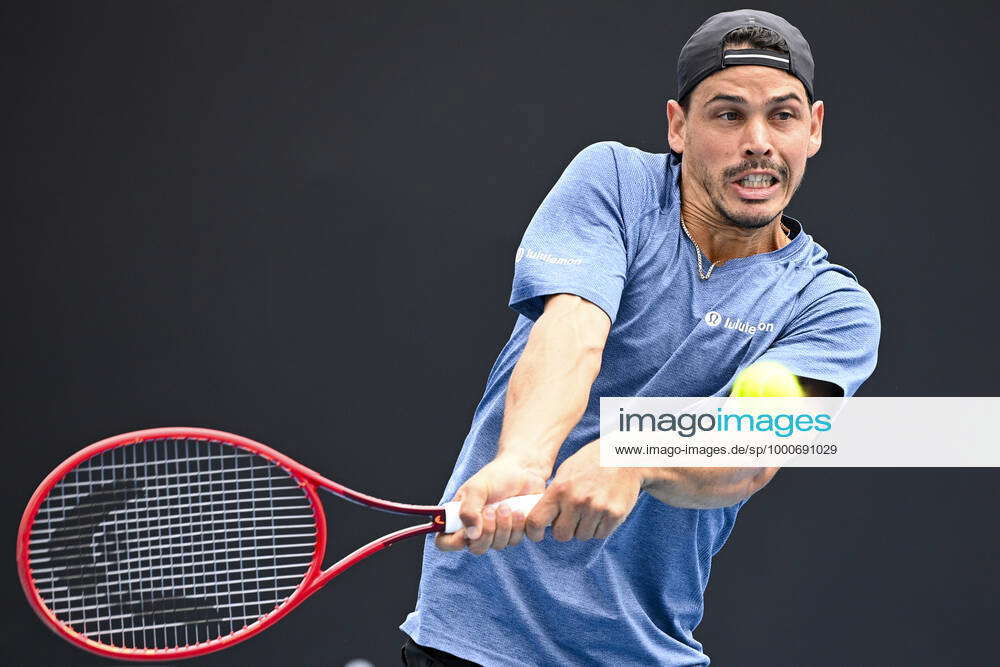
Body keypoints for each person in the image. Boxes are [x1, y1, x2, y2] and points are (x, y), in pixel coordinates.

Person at [401, 9, 880, 665]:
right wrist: (522, 460)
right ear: (679, 127)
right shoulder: (615, 183)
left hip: (636, 652)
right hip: (466, 643)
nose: (759, 141)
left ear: (813, 130)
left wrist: (634, 452)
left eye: (783, 116)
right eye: (728, 114)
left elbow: (757, 440)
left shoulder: (831, 308)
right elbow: (573, 329)